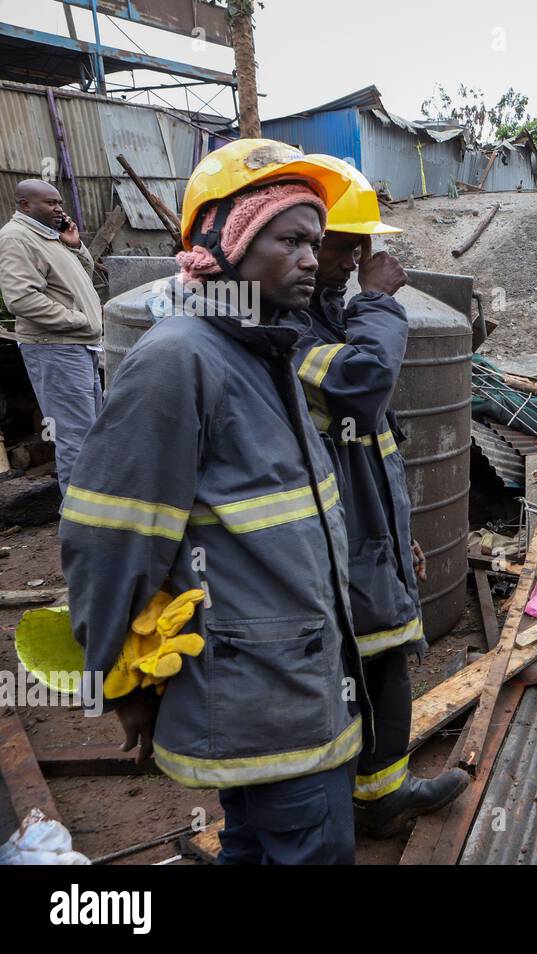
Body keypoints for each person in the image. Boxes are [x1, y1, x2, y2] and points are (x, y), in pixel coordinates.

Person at [60, 139, 368, 864]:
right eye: (289, 239)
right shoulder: (179, 360)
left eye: (314, 242)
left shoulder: (263, 352)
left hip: (293, 685)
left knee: (255, 849)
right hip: (260, 706)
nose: (308, 259)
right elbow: (110, 537)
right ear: (223, 244)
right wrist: (114, 676)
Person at [284, 157, 469, 838]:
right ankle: (369, 800)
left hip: (366, 525)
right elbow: (361, 383)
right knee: (366, 661)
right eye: (341, 243)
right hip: (329, 535)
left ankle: (378, 791)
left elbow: (371, 441)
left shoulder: (327, 311)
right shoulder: (292, 327)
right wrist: (380, 300)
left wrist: (401, 535)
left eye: (359, 245)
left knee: (382, 659)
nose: (358, 257)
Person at [0, 179, 103, 493]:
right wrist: (79, 321)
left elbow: (81, 279)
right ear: (25, 205)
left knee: (93, 433)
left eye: (59, 202)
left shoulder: (50, 237)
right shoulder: (17, 238)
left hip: (79, 346)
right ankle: (78, 522)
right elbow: (21, 299)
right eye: (50, 202)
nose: (59, 208)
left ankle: (97, 511)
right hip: (55, 349)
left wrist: (76, 245)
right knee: (76, 437)